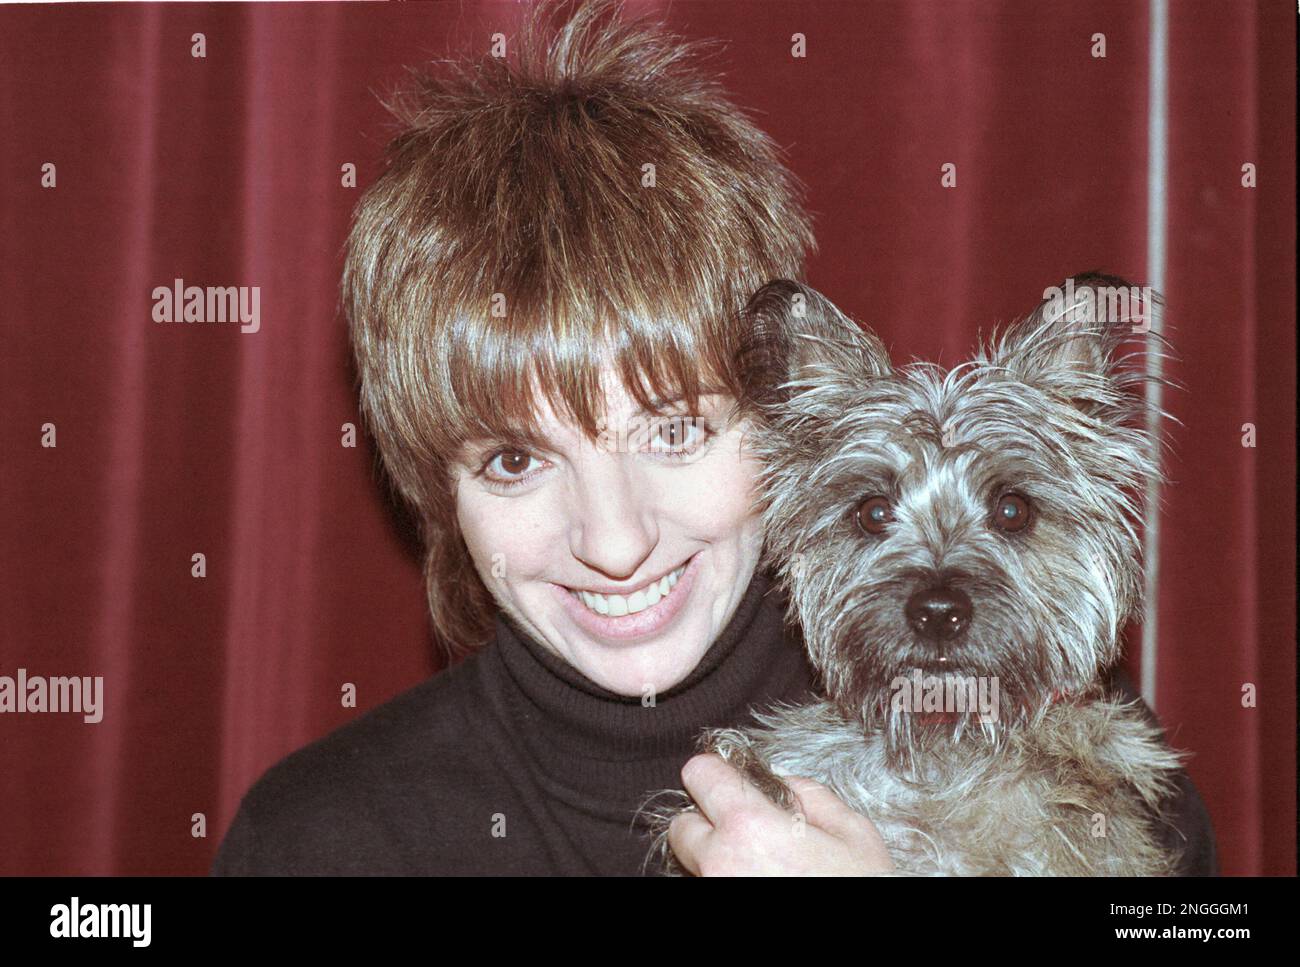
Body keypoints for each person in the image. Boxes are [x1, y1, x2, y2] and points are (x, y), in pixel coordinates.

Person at [210, 0, 1215, 876]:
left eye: (675, 429)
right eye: (514, 459)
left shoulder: (1103, 789)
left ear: (781, 428)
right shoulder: (323, 842)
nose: (613, 538)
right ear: (436, 492)